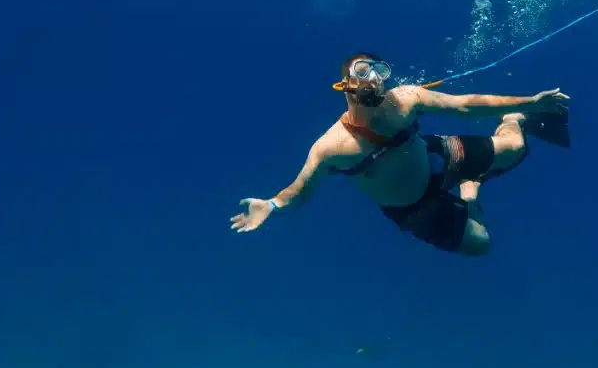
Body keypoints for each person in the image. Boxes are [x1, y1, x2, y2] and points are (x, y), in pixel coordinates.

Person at [228, 53, 569, 256]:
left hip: (439, 156)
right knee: (480, 245)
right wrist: (271, 205)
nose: (373, 78)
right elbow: (301, 187)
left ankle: (512, 121)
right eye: (363, 71)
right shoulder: (332, 147)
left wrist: (529, 103)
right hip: (414, 208)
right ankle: (470, 196)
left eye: (379, 71)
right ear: (344, 84)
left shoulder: (406, 99)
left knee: (517, 147)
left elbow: (466, 105)